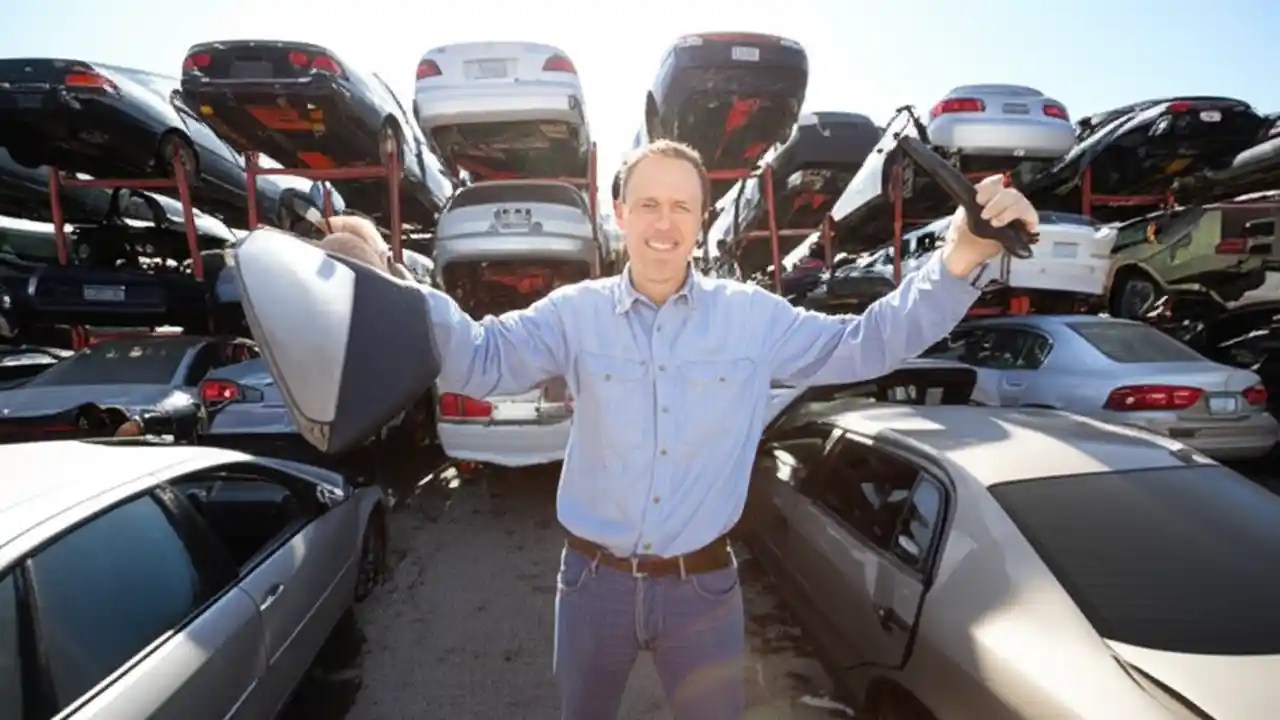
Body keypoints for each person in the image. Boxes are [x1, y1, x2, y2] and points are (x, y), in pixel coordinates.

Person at [416, 139, 1038, 719]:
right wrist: (380, 289)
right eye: (649, 205)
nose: (665, 223)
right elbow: (481, 358)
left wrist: (962, 256)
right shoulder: (573, 315)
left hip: (701, 593)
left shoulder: (752, 318)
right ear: (620, 213)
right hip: (592, 586)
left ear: (702, 217)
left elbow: (865, 344)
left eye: (682, 206)